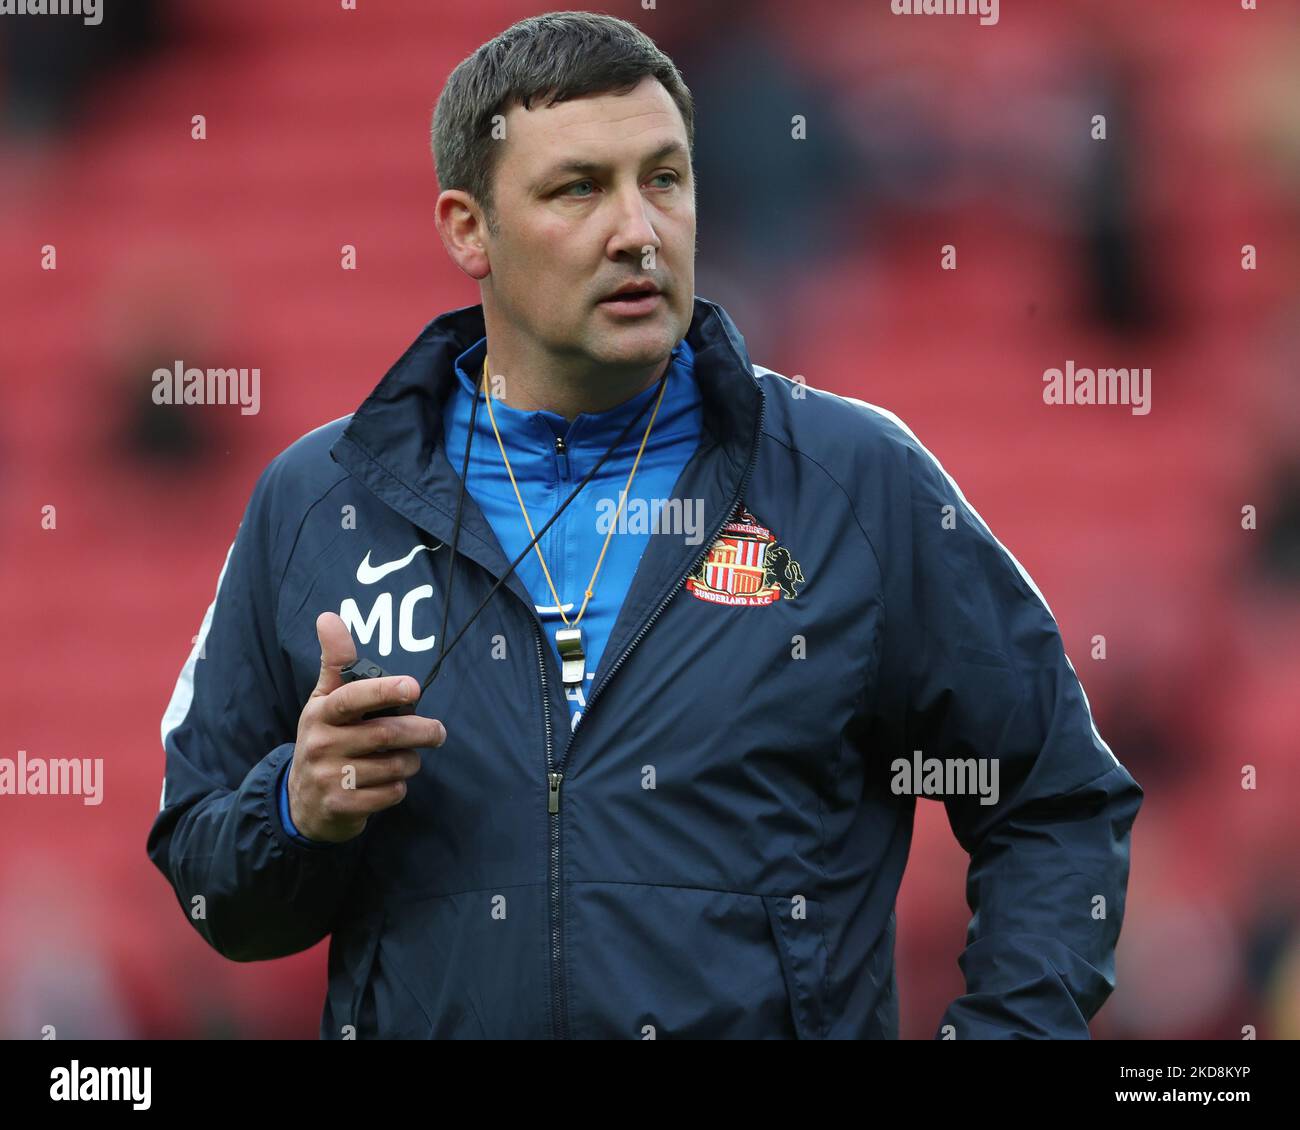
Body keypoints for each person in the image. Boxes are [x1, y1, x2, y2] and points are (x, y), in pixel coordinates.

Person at [147, 12, 1142, 1040]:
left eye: (663, 178)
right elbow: (209, 877)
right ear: (465, 228)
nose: (638, 229)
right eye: (578, 188)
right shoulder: (319, 502)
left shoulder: (854, 481)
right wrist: (297, 813)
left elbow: (1054, 800)